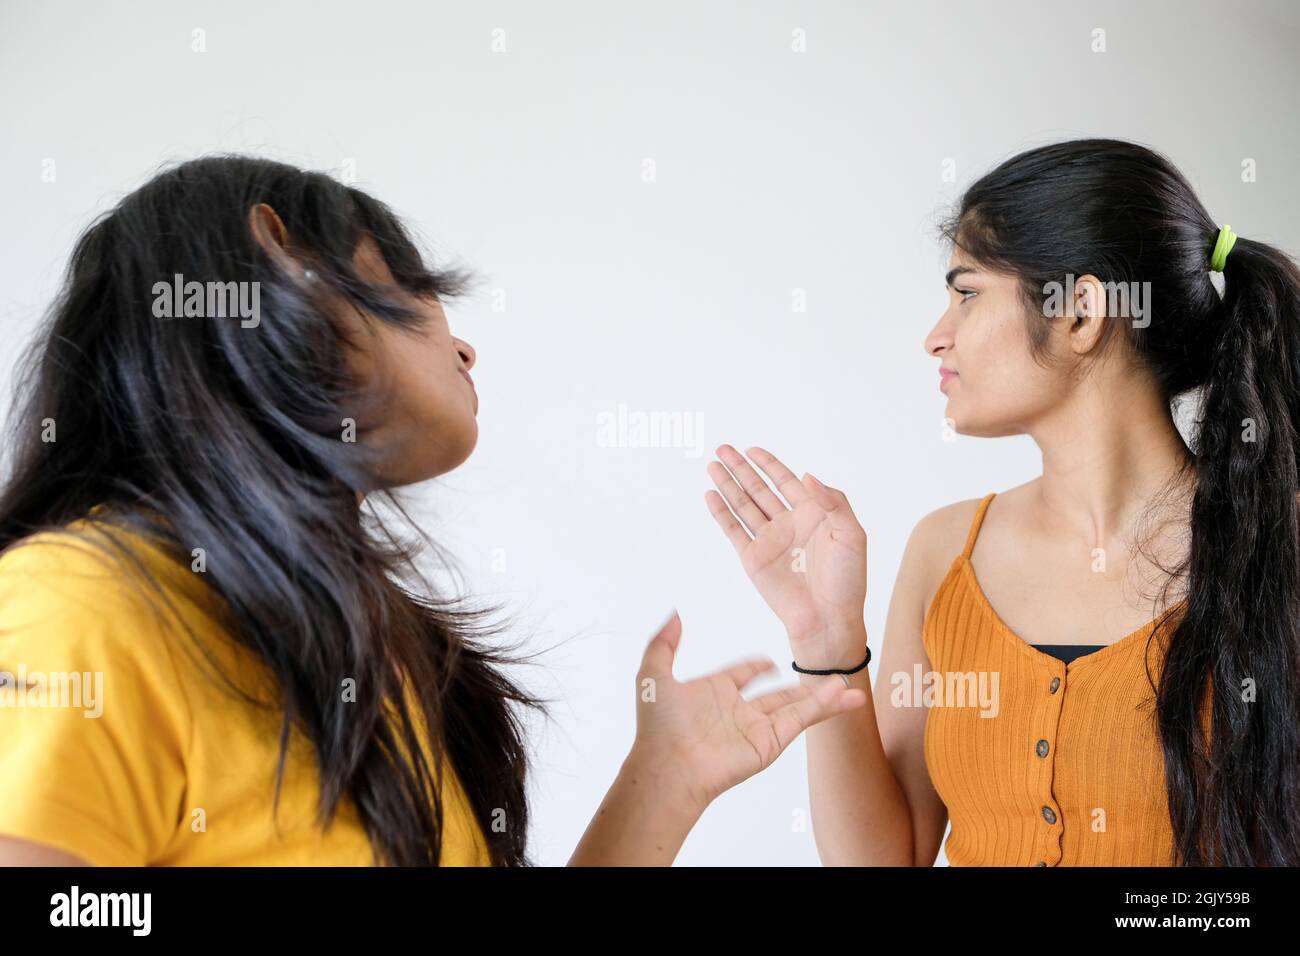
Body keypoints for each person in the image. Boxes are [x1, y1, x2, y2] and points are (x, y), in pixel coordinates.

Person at [0, 155, 864, 866]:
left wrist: (664, 779)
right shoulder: (78, 608)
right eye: (416, 290)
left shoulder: (374, 654)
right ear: (286, 266)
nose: (464, 347)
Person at [705, 138, 1300, 866]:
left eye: (967, 293)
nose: (936, 337)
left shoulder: (1279, 543)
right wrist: (827, 645)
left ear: (1081, 313)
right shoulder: (942, 551)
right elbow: (889, 858)